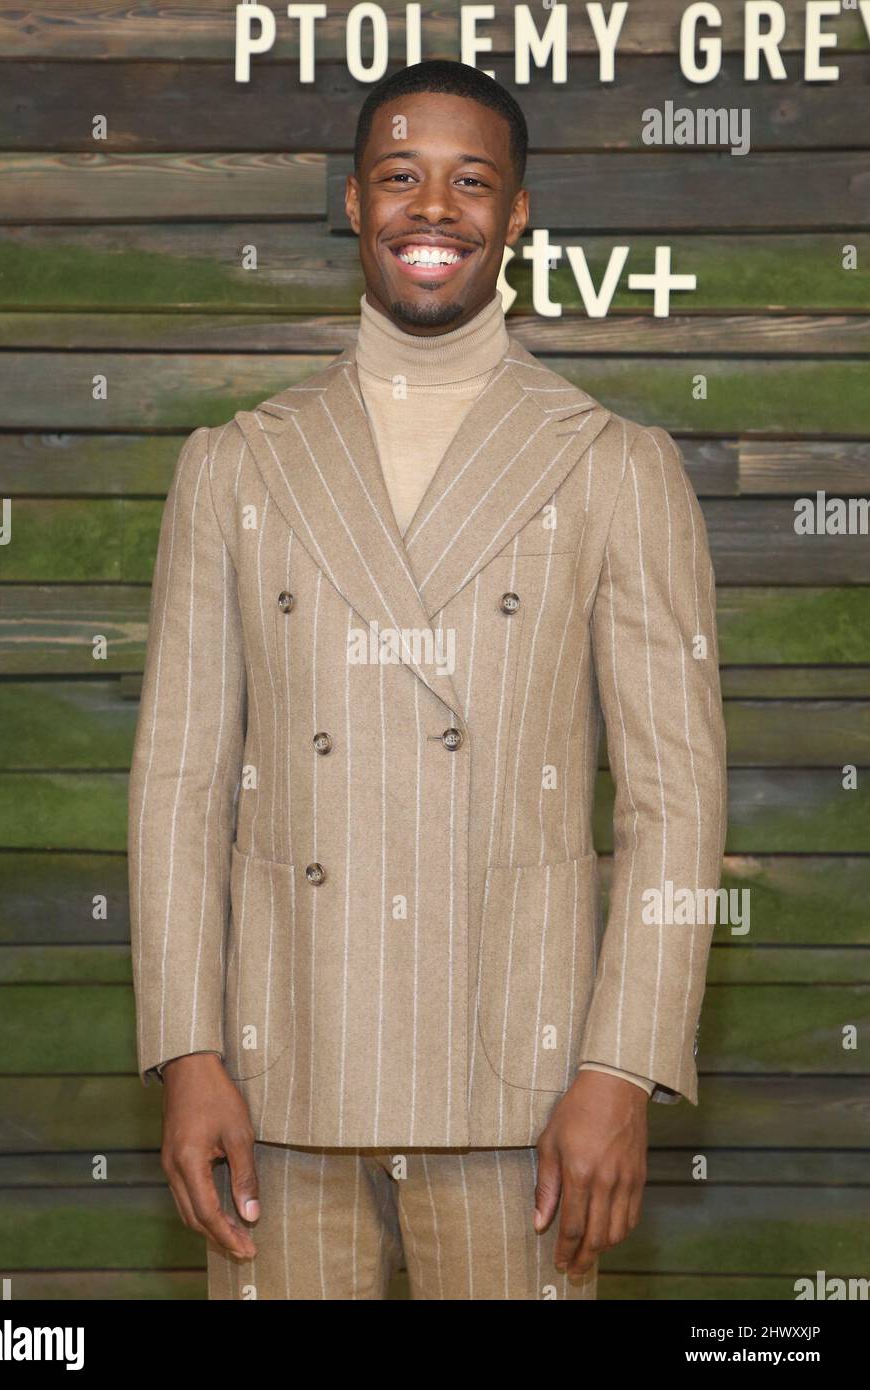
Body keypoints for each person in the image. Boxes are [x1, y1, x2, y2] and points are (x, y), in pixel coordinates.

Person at [128, 58, 728, 1301]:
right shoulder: (235, 468)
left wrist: (619, 1069)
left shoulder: (614, 468)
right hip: (275, 1076)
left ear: (516, 215)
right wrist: (188, 1049)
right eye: (401, 176)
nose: (432, 209)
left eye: (471, 181)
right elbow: (179, 786)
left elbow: (676, 805)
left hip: (527, 1084)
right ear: (353, 200)